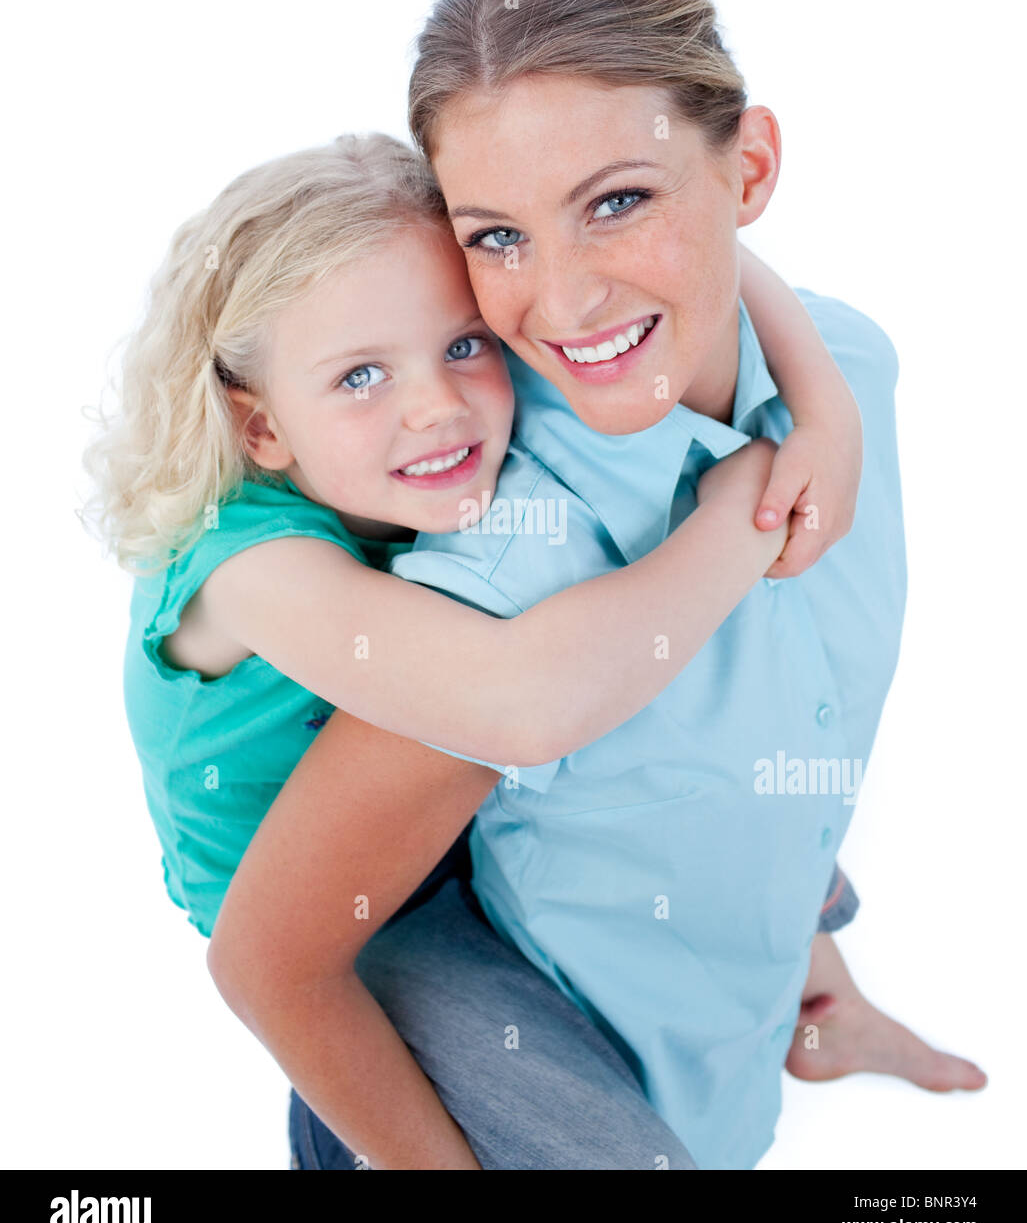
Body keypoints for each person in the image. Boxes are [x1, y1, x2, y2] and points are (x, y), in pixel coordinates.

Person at [280, 0, 986, 1170]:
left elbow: (771, 737)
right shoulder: (501, 573)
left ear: (750, 167)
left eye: (616, 201)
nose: (561, 303)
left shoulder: (851, 373)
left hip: (717, 1095)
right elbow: (284, 952)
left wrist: (812, 976)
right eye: (497, 235)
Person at [83, 129, 865, 1169]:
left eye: (463, 345)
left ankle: (823, 999)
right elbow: (521, 703)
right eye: (360, 375)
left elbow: (709, 249)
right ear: (261, 428)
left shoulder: (397, 460)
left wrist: (826, 407)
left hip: (463, 838)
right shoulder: (252, 572)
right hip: (372, 927)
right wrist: (744, 511)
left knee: (719, 747)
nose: (436, 404)